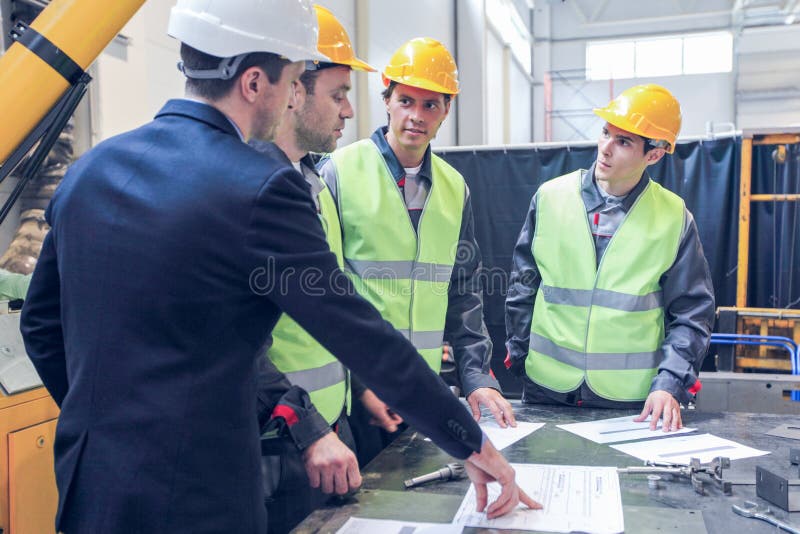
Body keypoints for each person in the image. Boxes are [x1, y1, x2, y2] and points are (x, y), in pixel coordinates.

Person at [20, 1, 538, 532]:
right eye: (294, 80)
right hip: (198, 497)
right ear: (252, 83)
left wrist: (103, 427)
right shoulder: (259, 188)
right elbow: (360, 335)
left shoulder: (90, 169)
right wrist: (469, 442)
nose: (296, 96)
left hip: (90, 485)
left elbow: (39, 326)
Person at [318, 37, 515, 464]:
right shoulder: (337, 173)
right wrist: (361, 382)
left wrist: (477, 376)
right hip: (358, 403)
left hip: (424, 393)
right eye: (406, 100)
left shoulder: (454, 187)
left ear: (447, 110)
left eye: (431, 105)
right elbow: (321, 296)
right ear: (386, 98)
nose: (416, 116)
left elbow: (464, 294)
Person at [505, 84, 715, 432]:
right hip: (547, 390)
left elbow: (692, 314)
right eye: (606, 133)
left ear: (654, 155)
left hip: (631, 402)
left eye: (624, 142)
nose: (605, 148)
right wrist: (521, 352)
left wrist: (669, 384)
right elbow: (524, 285)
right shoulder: (549, 198)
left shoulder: (673, 218)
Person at [248, 6, 374, 532]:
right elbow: (233, 342)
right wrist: (305, 429)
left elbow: (332, 311)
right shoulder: (245, 190)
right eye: (339, 94)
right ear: (295, 89)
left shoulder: (314, 185)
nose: (348, 111)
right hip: (278, 441)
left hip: (328, 426)